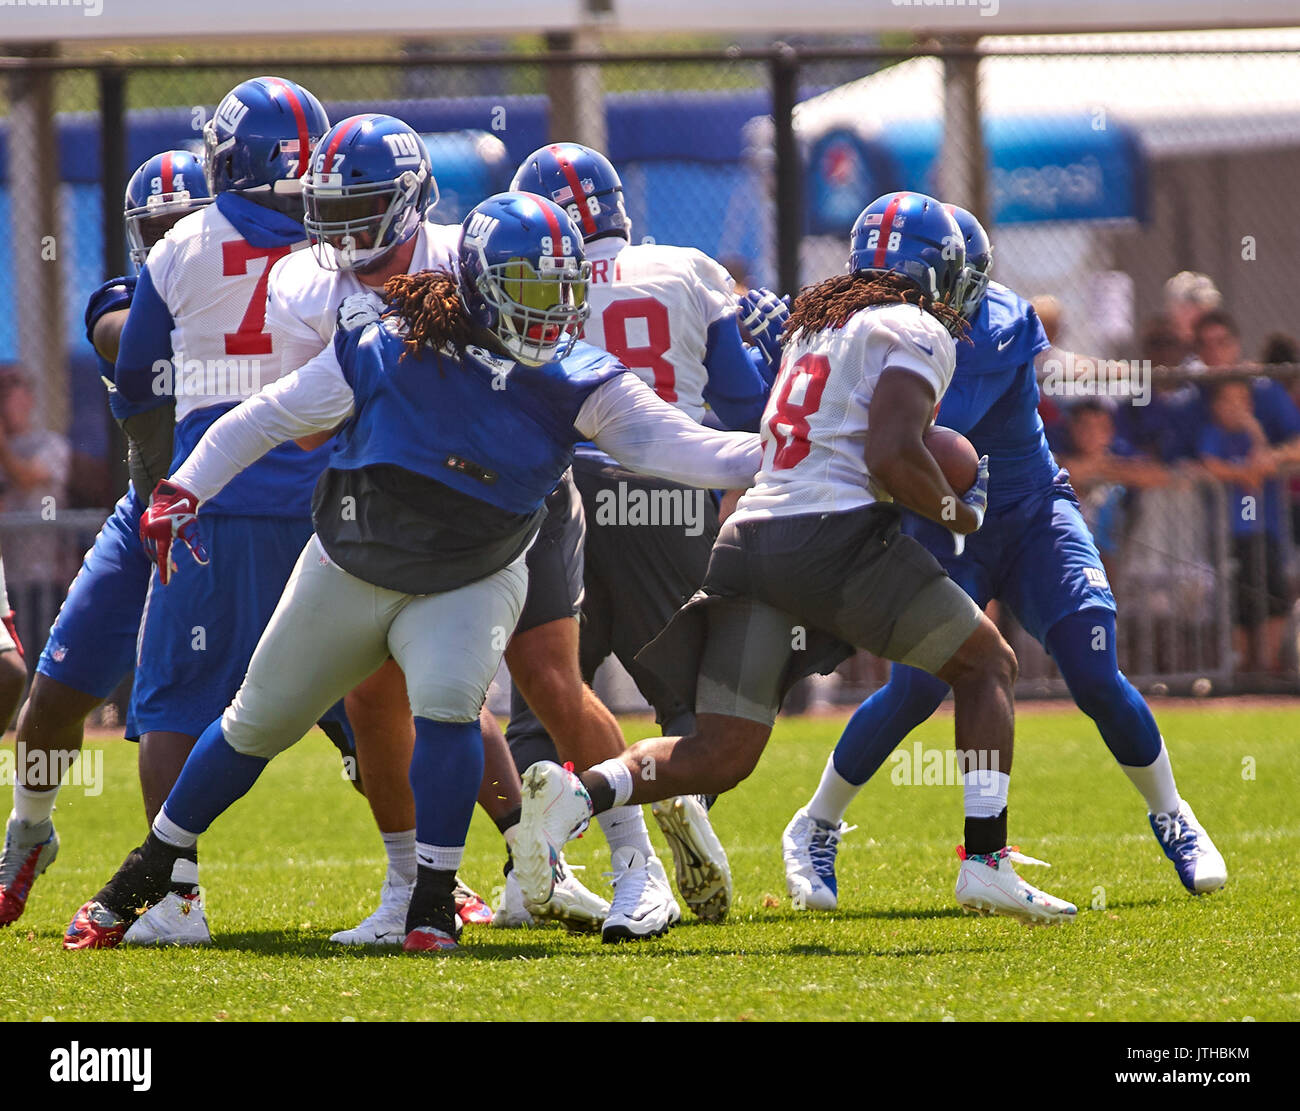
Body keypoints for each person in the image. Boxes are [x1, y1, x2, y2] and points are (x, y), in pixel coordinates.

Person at [63, 191, 762, 953]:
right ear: (479, 285)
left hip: (472, 574)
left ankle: (432, 904)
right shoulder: (384, 343)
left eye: (563, 289)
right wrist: (185, 487)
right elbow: (266, 415)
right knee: (255, 721)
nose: (553, 309)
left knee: (447, 709)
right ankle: (145, 872)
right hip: (351, 563)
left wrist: (791, 445)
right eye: (530, 286)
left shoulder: (578, 376)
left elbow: (696, 450)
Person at [513, 191, 1078, 929]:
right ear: (932, 274)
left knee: (721, 750)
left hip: (749, 540)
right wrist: (957, 511)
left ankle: (574, 797)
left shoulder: (817, 325)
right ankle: (987, 861)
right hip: (832, 538)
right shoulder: (913, 325)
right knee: (987, 663)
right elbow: (891, 450)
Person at [780, 207, 1226, 909]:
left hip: (1025, 513)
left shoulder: (994, 324)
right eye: (876, 281)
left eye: (904, 283)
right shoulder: (860, 330)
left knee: (1092, 667)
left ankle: (1173, 813)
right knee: (918, 688)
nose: (886, 297)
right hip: (942, 522)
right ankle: (815, 824)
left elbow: (928, 433)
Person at [270, 113, 601, 942]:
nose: (346, 230)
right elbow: (308, 429)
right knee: (387, 696)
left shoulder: (469, 250)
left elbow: (549, 357)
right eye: (335, 209)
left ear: (411, 202)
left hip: (518, 494)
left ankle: (635, 861)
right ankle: (416, 886)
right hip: (394, 503)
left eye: (366, 206)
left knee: (550, 681)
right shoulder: (304, 285)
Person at [500, 142, 780, 930]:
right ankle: (674, 790)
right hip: (674, 486)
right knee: (697, 701)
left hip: (563, 489)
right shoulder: (690, 267)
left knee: (547, 695)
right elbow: (739, 403)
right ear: (620, 208)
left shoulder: (525, 269)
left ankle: (529, 871)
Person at [99, 76, 334, 946]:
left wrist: (150, 473)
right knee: (392, 698)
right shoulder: (344, 241)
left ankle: (175, 898)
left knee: (170, 703)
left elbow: (136, 381)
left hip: (214, 499)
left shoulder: (184, 242)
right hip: (324, 501)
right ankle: (430, 878)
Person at [0, 151, 211, 932]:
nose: (167, 243)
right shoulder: (126, 301)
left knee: (367, 706)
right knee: (54, 697)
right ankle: (28, 832)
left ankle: (437, 869)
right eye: (154, 230)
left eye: (183, 226)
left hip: (253, 516)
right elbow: (125, 337)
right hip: (148, 514)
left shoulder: (268, 292)